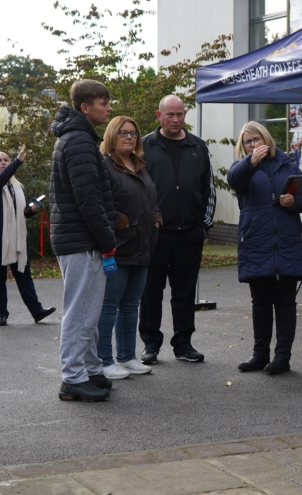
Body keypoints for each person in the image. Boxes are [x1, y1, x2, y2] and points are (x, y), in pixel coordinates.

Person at [227, 122, 302, 375]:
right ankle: (259, 355)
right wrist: (250, 162)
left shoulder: (287, 164)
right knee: (261, 302)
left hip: (287, 241)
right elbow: (234, 181)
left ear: (266, 139)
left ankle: (282, 358)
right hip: (257, 241)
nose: (253, 145)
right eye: (248, 142)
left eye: (257, 139)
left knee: (286, 302)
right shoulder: (241, 168)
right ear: (243, 147)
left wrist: (293, 201)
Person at [50, 79, 117, 402]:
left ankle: (90, 369)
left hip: (77, 238)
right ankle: (73, 378)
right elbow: (89, 199)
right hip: (82, 240)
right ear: (84, 107)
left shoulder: (76, 137)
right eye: (103, 103)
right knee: (81, 311)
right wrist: (107, 239)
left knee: (87, 310)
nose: (108, 108)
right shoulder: (78, 140)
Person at [139, 94, 216, 365]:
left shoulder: (198, 146)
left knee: (184, 292)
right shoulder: (144, 146)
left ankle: (183, 344)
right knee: (151, 291)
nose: (175, 119)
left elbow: (210, 188)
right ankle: (150, 344)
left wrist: (204, 225)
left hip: (190, 233)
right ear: (159, 116)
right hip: (156, 234)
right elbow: (136, 188)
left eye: (179, 114)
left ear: (185, 115)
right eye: (169, 115)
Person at [97, 116, 161, 380]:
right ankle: (104, 360)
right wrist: (119, 222)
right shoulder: (104, 165)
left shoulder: (139, 165)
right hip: (118, 248)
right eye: (123, 132)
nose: (129, 137)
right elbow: (99, 201)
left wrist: (157, 217)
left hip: (142, 247)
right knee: (109, 304)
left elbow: (150, 197)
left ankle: (127, 357)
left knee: (131, 305)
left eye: (134, 133)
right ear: (112, 135)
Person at [0, 147, 56, 326]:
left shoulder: (17, 187)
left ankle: (37, 311)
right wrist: (17, 161)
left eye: (6, 160)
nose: (4, 162)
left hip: (17, 237)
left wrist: (32, 210)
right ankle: (1, 314)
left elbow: (22, 214)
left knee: (23, 274)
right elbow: (0, 180)